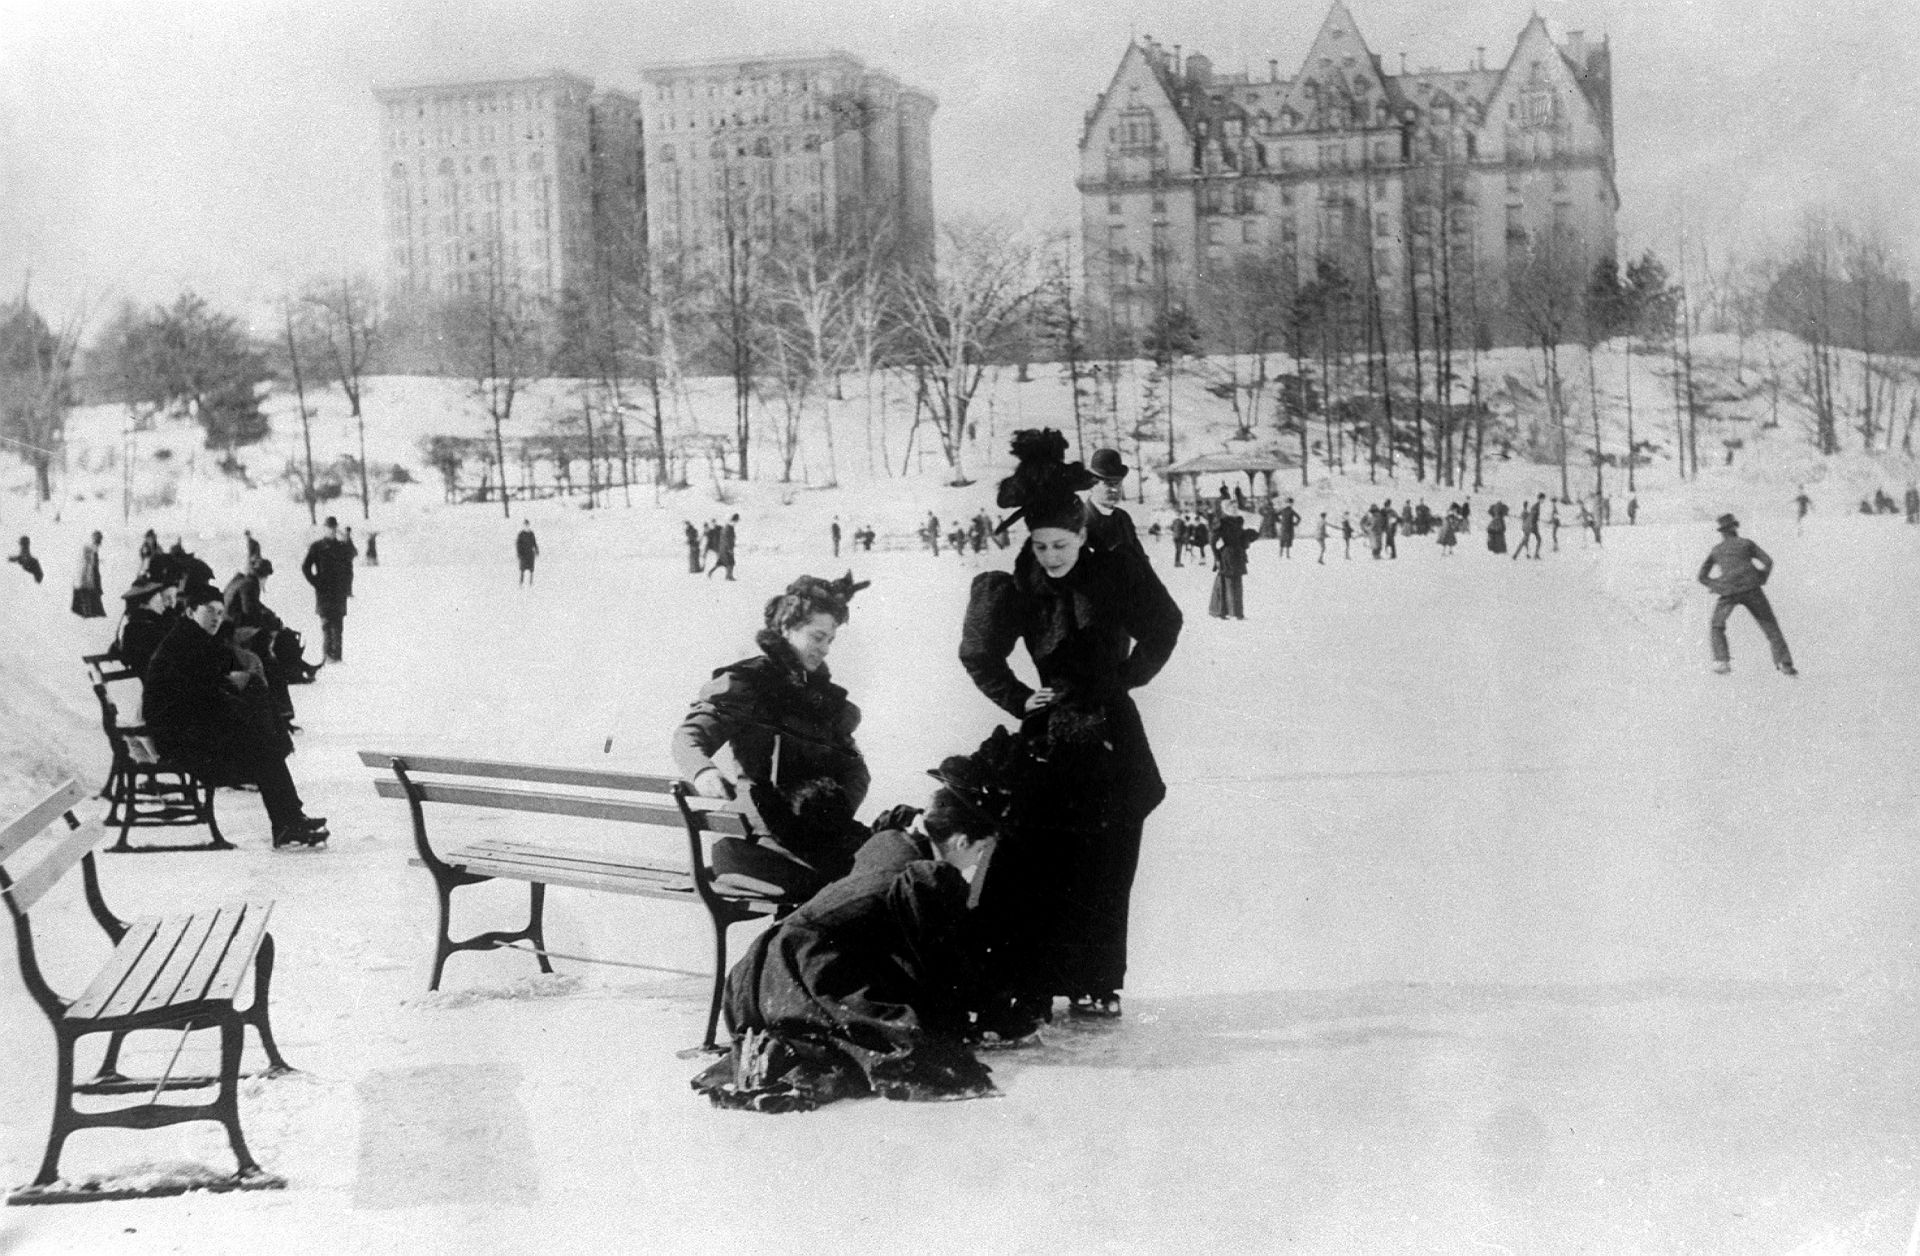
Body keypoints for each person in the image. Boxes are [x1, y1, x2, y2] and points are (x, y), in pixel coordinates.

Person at [960, 429, 1182, 1024]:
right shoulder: (1019, 588)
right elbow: (978, 653)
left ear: (1083, 536)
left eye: (1061, 544)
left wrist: (1125, 680)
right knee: (1038, 859)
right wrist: (1020, 700)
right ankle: (1029, 979)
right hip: (1051, 735)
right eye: (1040, 546)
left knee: (1110, 860)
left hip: (1110, 733)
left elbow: (1164, 623)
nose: (1051, 556)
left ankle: (1097, 980)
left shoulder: (1113, 577)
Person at [691, 735, 1020, 1113]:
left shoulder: (891, 842)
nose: (976, 862)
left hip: (764, 970)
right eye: (978, 851)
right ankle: (791, 1061)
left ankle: (785, 1049)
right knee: (915, 1050)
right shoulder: (925, 877)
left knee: (862, 1033)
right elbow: (934, 965)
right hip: (812, 972)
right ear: (961, 841)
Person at [673, 572, 872, 898]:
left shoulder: (823, 698)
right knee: (871, 885)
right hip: (761, 845)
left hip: (810, 838)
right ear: (787, 628)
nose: (824, 649)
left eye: (829, 641)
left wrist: (830, 812)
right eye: (817, 637)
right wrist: (704, 771)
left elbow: (855, 768)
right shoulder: (749, 684)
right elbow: (688, 736)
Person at [142, 584, 328, 848]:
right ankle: (288, 820)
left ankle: (290, 819)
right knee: (262, 746)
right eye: (210, 611)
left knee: (262, 737)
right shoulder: (185, 643)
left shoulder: (195, 637)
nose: (217, 618)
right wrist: (238, 692)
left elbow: (213, 686)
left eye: (220, 612)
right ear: (191, 610)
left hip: (189, 730)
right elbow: (202, 696)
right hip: (180, 741)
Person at [1697, 514, 1795, 676]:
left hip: (1728, 591)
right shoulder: (1746, 544)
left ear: (1721, 532)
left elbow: (1701, 576)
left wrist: (1716, 585)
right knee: (1770, 626)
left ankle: (1722, 661)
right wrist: (1761, 578)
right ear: (1735, 527)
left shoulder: (1716, 550)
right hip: (1752, 589)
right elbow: (1768, 562)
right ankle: (1784, 663)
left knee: (1717, 624)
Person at [301, 516, 356, 663]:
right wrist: (316, 582)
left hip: (338, 592)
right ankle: (327, 657)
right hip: (324, 591)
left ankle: (337, 658)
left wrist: (348, 538)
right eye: (328, 528)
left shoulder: (342, 547)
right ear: (324, 529)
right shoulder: (317, 547)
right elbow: (306, 567)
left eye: (333, 528)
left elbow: (352, 556)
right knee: (326, 625)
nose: (331, 531)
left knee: (338, 626)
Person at [1082, 448, 1146, 560]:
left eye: (1118, 484)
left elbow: (1142, 560)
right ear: (1092, 485)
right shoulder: (1080, 520)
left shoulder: (1124, 518)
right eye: (1108, 484)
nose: (1115, 490)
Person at [1209, 506, 1251, 620]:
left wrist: (1248, 537)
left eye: (1236, 507)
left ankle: (1237, 613)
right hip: (1227, 556)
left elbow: (1244, 541)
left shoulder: (1239, 521)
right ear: (1226, 510)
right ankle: (1231, 612)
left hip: (1238, 555)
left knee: (1237, 584)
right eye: (1231, 507)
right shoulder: (1222, 522)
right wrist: (1217, 557)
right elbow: (1212, 542)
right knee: (1228, 584)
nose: (1234, 509)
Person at [71, 532, 106, 618]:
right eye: (98, 541)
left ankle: (89, 612)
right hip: (86, 578)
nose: (99, 544)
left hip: (86, 578)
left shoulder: (91, 549)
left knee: (87, 594)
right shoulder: (90, 549)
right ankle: (87, 613)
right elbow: (88, 565)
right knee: (86, 594)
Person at [708, 514, 739, 581]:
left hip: (722, 548)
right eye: (736, 521)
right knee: (731, 563)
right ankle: (729, 576)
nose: (736, 523)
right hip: (726, 549)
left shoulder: (726, 528)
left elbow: (726, 539)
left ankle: (711, 572)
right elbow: (728, 540)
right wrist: (730, 548)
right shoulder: (729, 529)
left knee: (721, 562)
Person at [515, 520, 539, 586]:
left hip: (530, 554)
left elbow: (534, 542)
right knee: (522, 569)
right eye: (525, 525)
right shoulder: (521, 534)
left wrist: (536, 550)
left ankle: (531, 582)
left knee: (531, 569)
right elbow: (518, 544)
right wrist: (519, 553)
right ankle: (521, 582)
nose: (526, 526)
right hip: (523, 554)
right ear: (523, 525)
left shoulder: (531, 533)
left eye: (527, 525)